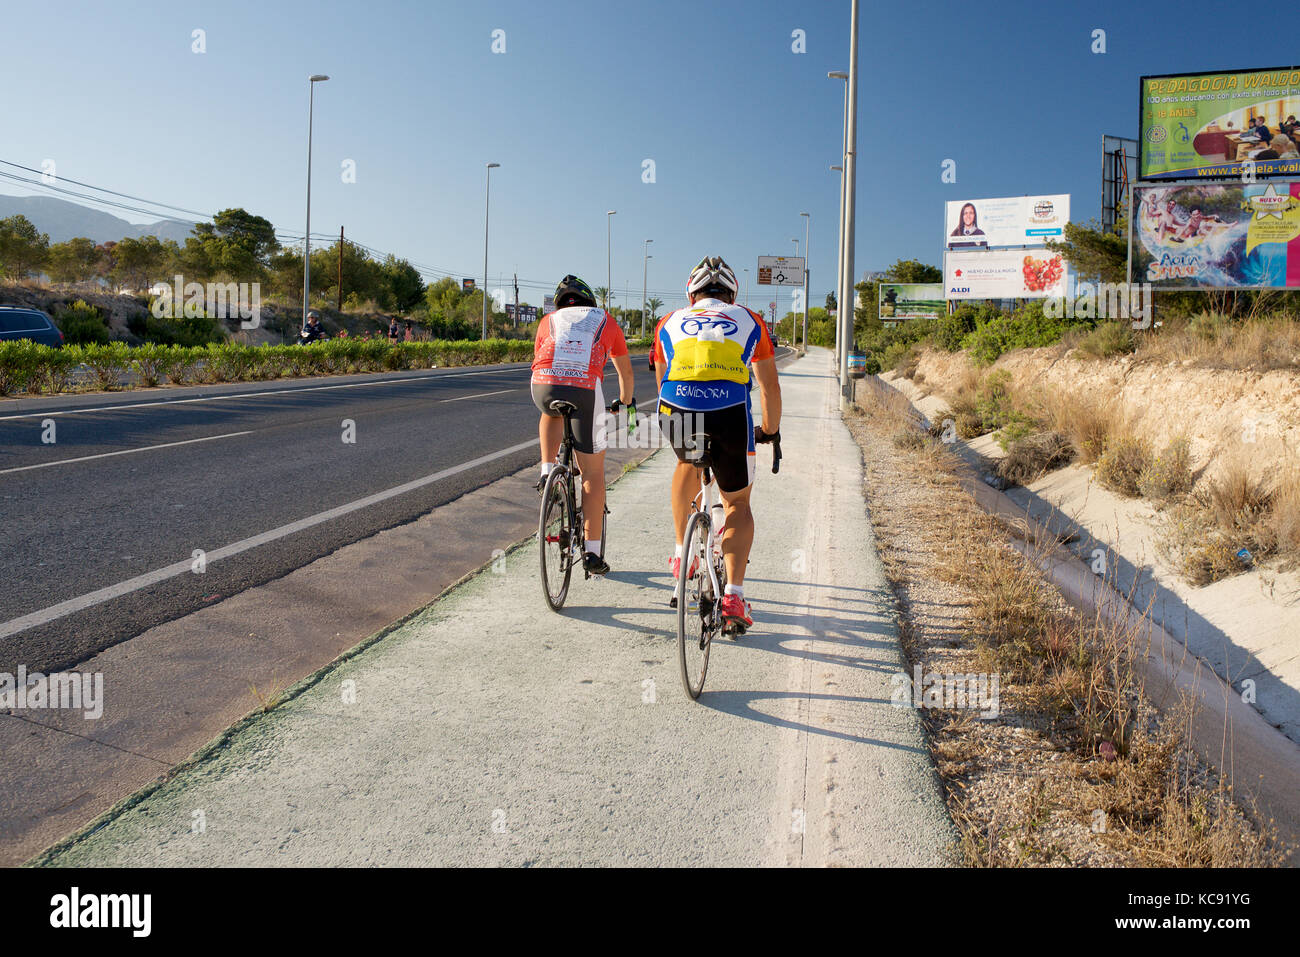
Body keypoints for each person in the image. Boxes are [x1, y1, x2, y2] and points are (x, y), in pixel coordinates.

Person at [652, 256, 781, 632]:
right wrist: (770, 430)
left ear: (691, 294)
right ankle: (734, 596)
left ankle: (682, 556)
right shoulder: (748, 318)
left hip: (677, 405)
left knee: (686, 464)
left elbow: (662, 381)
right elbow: (770, 386)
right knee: (737, 503)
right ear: (731, 293)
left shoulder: (668, 321)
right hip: (728, 409)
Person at [531, 274, 635, 575]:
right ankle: (591, 552)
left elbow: (541, 358)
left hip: (542, 386)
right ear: (591, 301)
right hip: (585, 389)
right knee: (592, 473)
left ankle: (547, 472)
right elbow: (625, 374)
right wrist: (626, 403)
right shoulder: (606, 320)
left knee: (550, 411)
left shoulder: (546, 321)